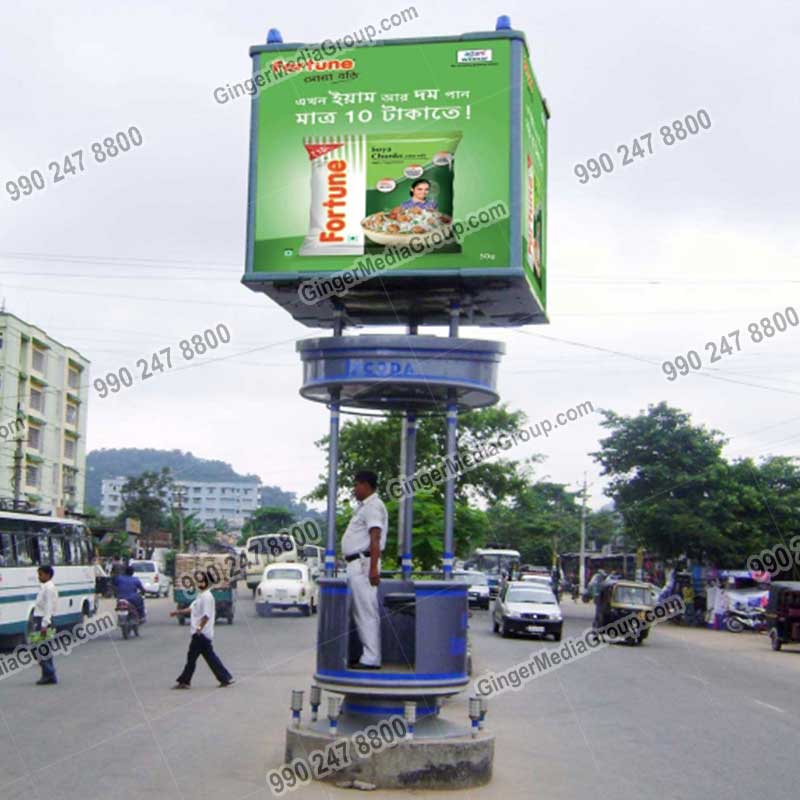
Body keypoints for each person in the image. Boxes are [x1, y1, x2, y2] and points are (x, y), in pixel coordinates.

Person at [341, 469, 388, 670]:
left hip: (364, 563)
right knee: (360, 612)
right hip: (357, 563)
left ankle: (371, 658)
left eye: (356, 484)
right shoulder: (364, 507)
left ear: (366, 485)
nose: (354, 489)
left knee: (366, 612)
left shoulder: (373, 506)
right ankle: (366, 655)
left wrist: (374, 568)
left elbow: (375, 537)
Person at [171, 571, 234, 689]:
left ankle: (184, 681)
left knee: (192, 658)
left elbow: (206, 615)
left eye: (202, 581)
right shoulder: (200, 596)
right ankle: (225, 678)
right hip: (200, 633)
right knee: (209, 657)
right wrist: (178, 612)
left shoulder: (207, 597)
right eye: (199, 581)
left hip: (201, 634)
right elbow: (192, 609)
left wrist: (199, 628)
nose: (200, 583)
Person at [33, 565, 59, 685]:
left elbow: (48, 607)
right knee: (45, 649)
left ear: (48, 575)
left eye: (41, 574)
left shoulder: (49, 588)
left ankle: (50, 672)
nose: (39, 577)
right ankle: (47, 675)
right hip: (41, 619)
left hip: (43, 621)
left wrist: (44, 624)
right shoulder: (45, 587)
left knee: (39, 649)